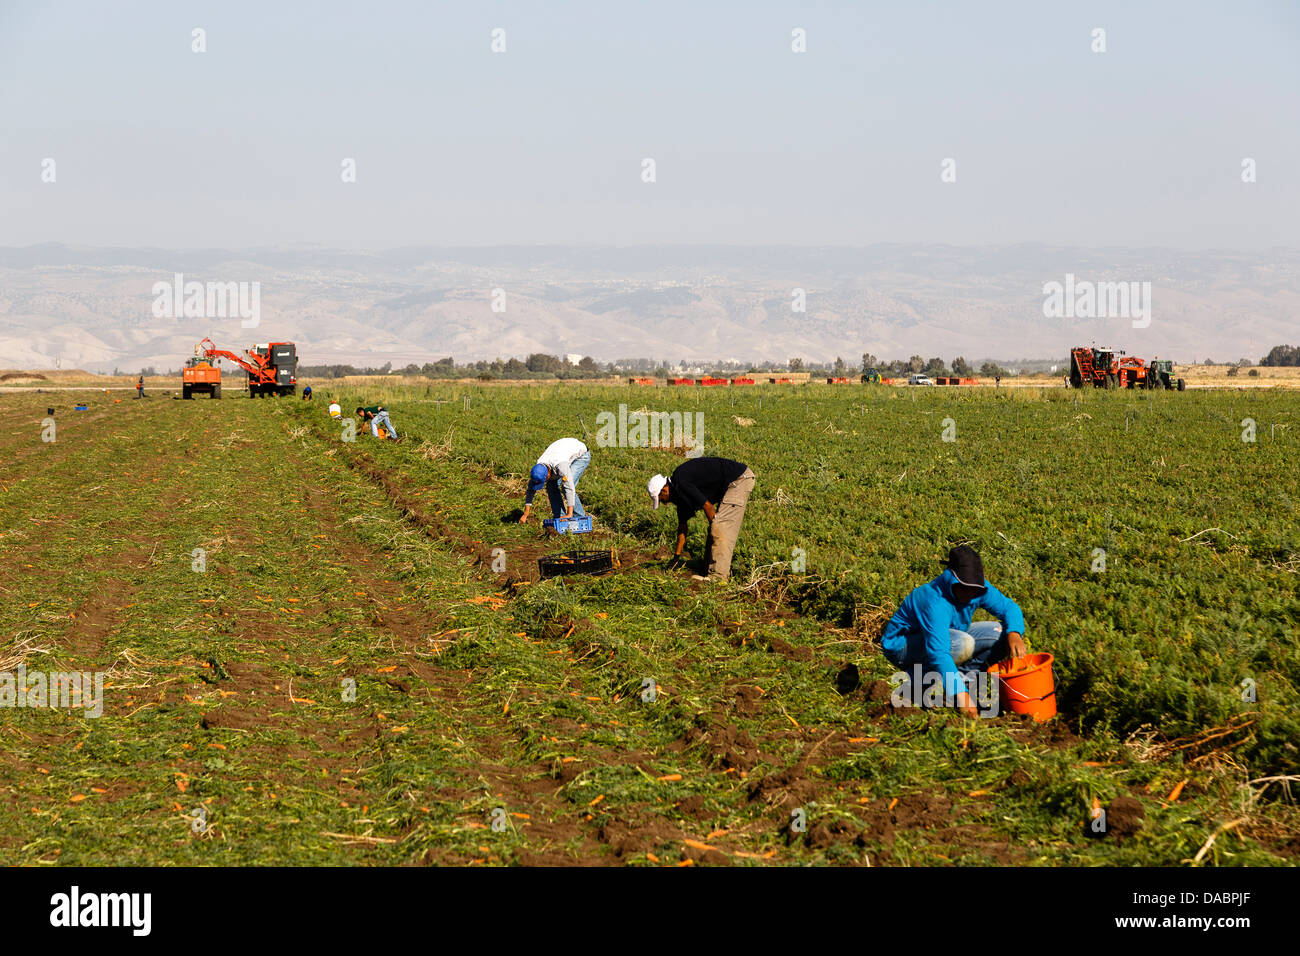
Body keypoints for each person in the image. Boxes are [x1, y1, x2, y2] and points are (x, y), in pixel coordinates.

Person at [880, 545, 1027, 718]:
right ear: (952, 579)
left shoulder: (977, 589)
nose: (970, 593)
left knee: (999, 633)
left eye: (974, 588)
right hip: (903, 646)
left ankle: (965, 683)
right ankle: (915, 682)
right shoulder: (935, 601)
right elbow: (938, 652)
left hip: (949, 635)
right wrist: (961, 697)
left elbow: (1009, 607)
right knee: (961, 643)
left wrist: (1014, 634)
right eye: (964, 587)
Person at [648, 456, 755, 582]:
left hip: (739, 480)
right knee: (715, 527)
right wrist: (676, 558)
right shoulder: (679, 494)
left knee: (720, 528)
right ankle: (707, 570)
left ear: (664, 490)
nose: (665, 504)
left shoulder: (682, 482)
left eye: (662, 500)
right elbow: (682, 527)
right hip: (730, 484)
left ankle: (718, 578)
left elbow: (707, 506)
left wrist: (715, 528)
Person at [520, 438, 590, 523]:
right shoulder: (538, 470)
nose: (544, 482)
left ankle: (580, 519)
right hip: (561, 452)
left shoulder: (561, 466)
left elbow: (569, 487)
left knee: (566, 488)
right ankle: (560, 518)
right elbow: (531, 490)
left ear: (548, 474)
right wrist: (526, 513)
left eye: (544, 480)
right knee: (550, 486)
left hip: (581, 455)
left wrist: (569, 513)